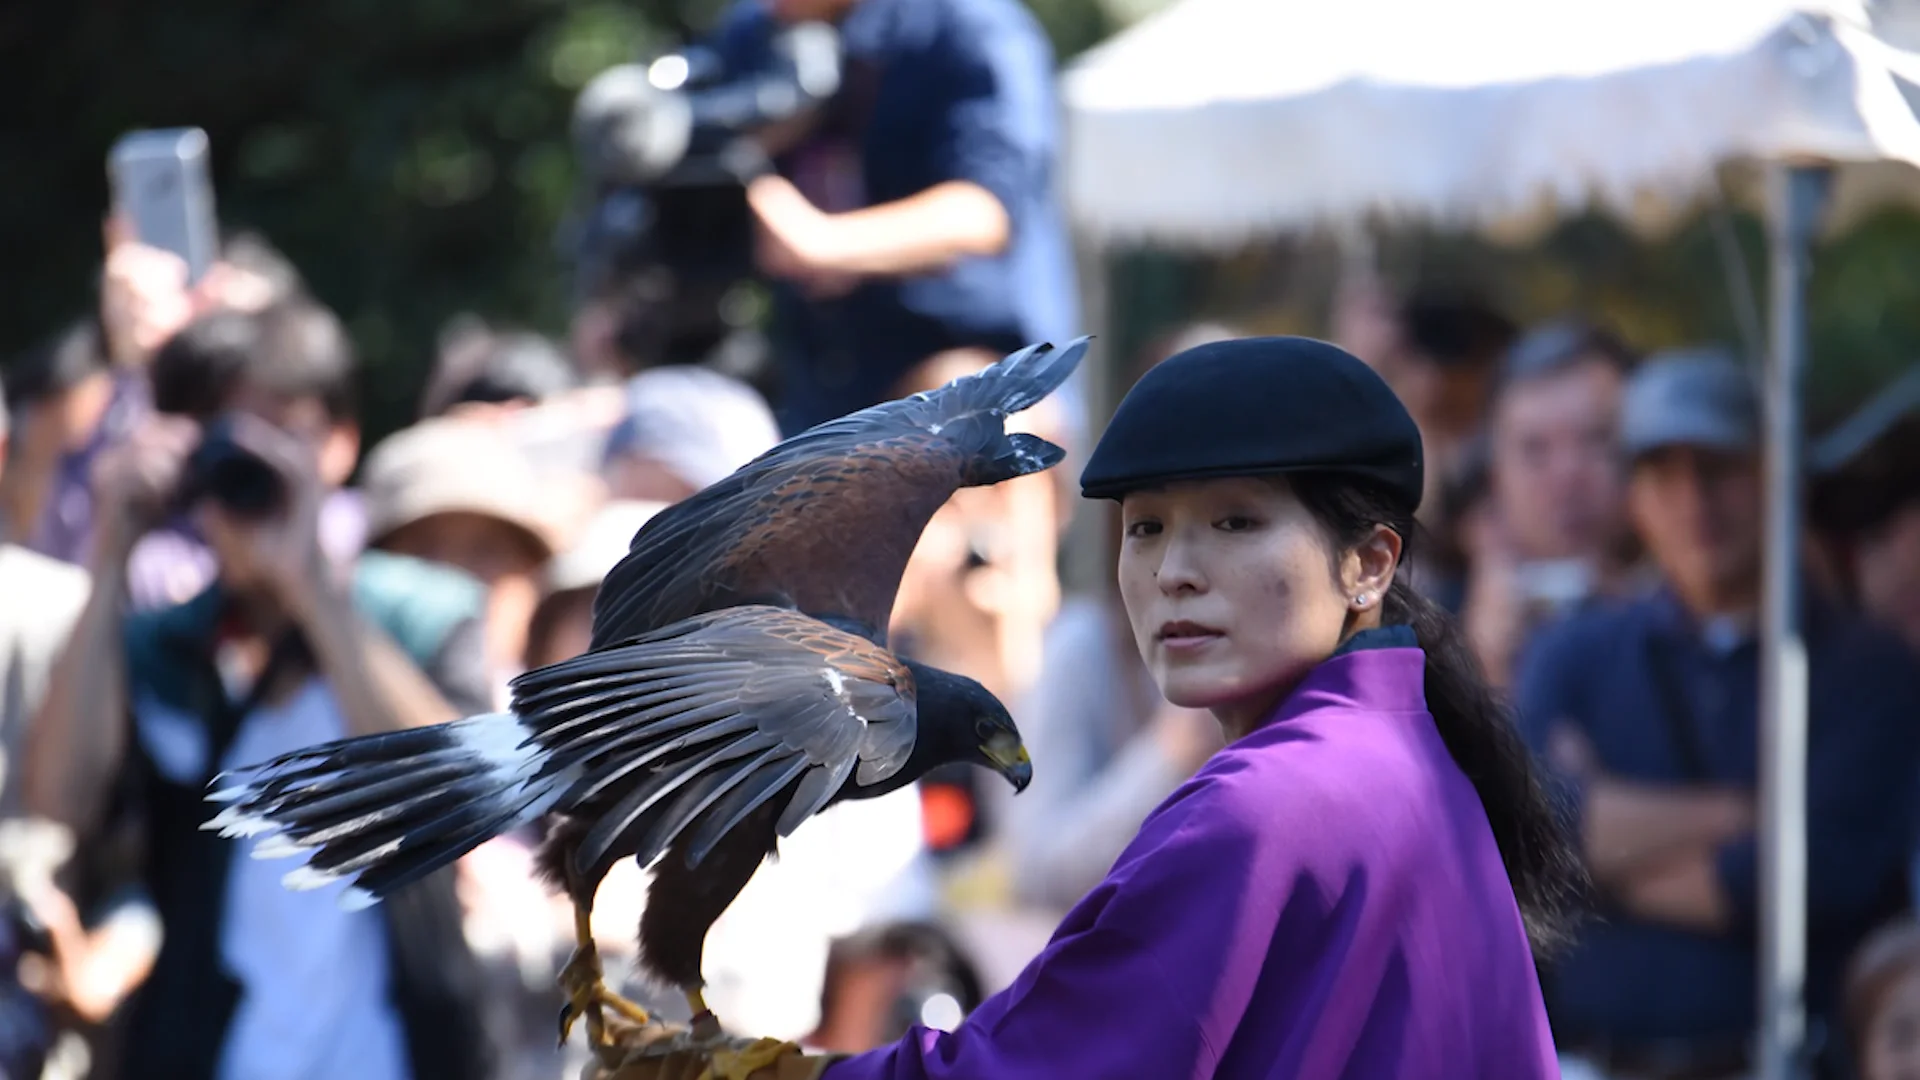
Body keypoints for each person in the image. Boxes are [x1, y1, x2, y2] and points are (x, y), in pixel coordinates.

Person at [597, 336, 1583, 1079]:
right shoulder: (1404, 752)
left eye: (1235, 522)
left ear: (1369, 561)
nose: (1176, 573)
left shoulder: (1273, 801)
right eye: (1146, 528)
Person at [22, 296, 500, 1080]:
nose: (252, 462)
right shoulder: (162, 644)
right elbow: (61, 801)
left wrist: (312, 588)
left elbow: (465, 799)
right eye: (223, 438)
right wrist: (110, 556)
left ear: (343, 442)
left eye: (283, 434)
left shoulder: (416, 614)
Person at [1515, 349, 1920, 1080]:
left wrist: (1605, 848)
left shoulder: (1868, 669)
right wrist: (1751, 810)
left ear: (1776, 478)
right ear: (1634, 497)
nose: (1694, 499)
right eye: (1664, 473)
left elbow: (1812, 878)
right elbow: (1534, 839)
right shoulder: (1569, 655)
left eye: (1719, 467)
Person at [702, 0, 1079, 437]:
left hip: (973, 394)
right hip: (823, 404)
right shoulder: (754, 33)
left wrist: (823, 244)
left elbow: (986, 211)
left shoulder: (967, 24)